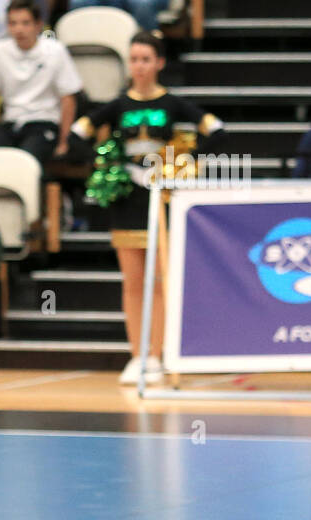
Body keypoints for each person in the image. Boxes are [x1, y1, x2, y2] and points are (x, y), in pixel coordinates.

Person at [67, 31, 223, 385]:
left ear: (159, 63)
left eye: (146, 59)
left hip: (161, 197)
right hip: (127, 199)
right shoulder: (118, 105)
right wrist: (104, 163)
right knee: (133, 281)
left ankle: (159, 354)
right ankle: (136, 355)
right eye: (134, 59)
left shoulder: (172, 103)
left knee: (160, 279)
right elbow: (77, 134)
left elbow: (217, 130)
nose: (139, 66)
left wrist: (184, 163)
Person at [0, 0, 80, 168]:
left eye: (25, 23)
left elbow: (68, 98)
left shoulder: (55, 51)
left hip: (44, 122)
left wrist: (64, 142)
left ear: (38, 25)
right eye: (13, 23)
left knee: (26, 163)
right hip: (10, 123)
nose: (19, 29)